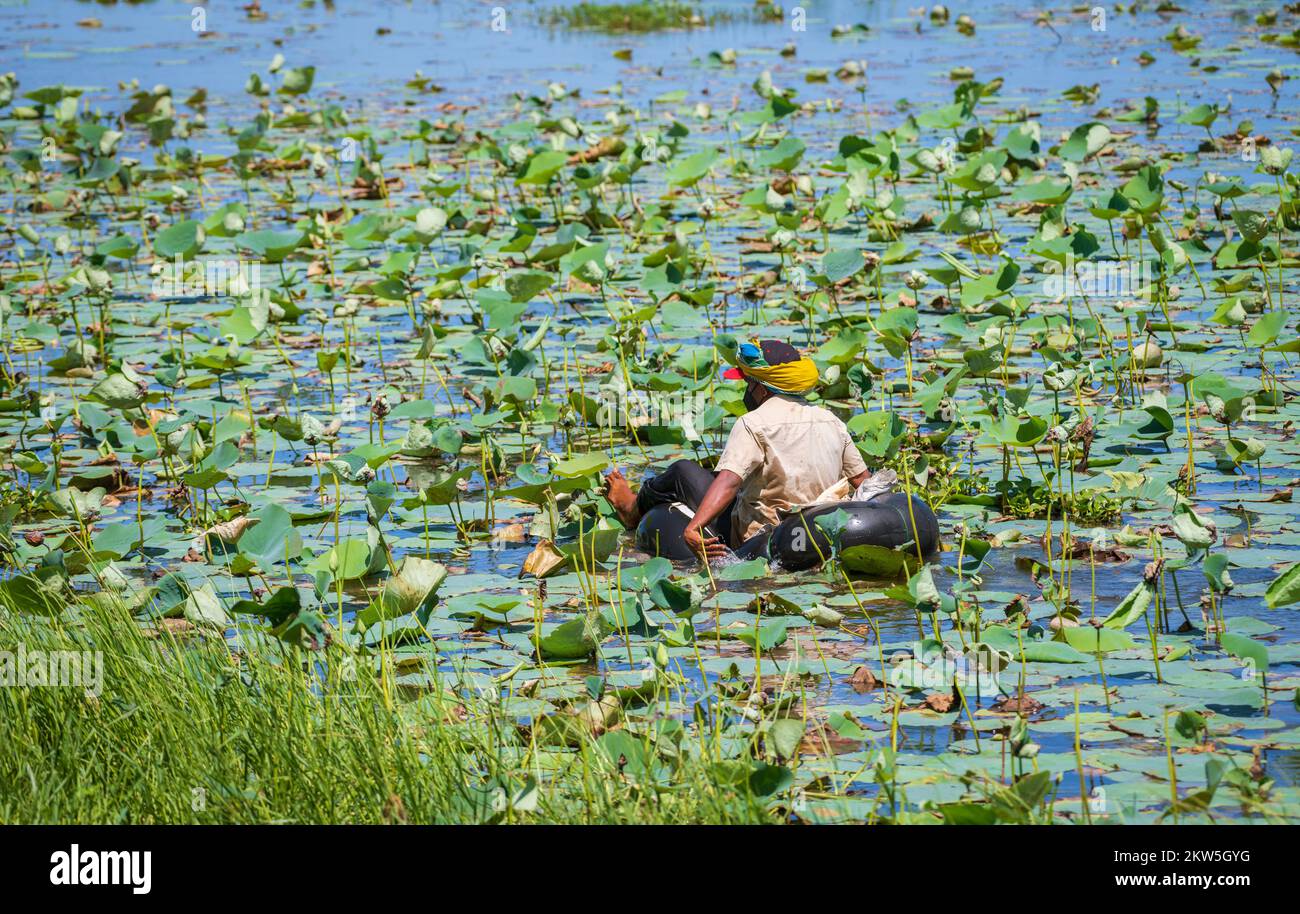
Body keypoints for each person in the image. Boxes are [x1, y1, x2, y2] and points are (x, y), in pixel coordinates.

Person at [603, 339, 873, 560]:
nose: (747, 391)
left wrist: (694, 529)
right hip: (817, 529)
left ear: (762, 388)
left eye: (748, 383)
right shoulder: (832, 421)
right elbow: (864, 483)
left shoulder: (753, 423)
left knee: (681, 471)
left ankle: (630, 508)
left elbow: (730, 483)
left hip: (762, 537)